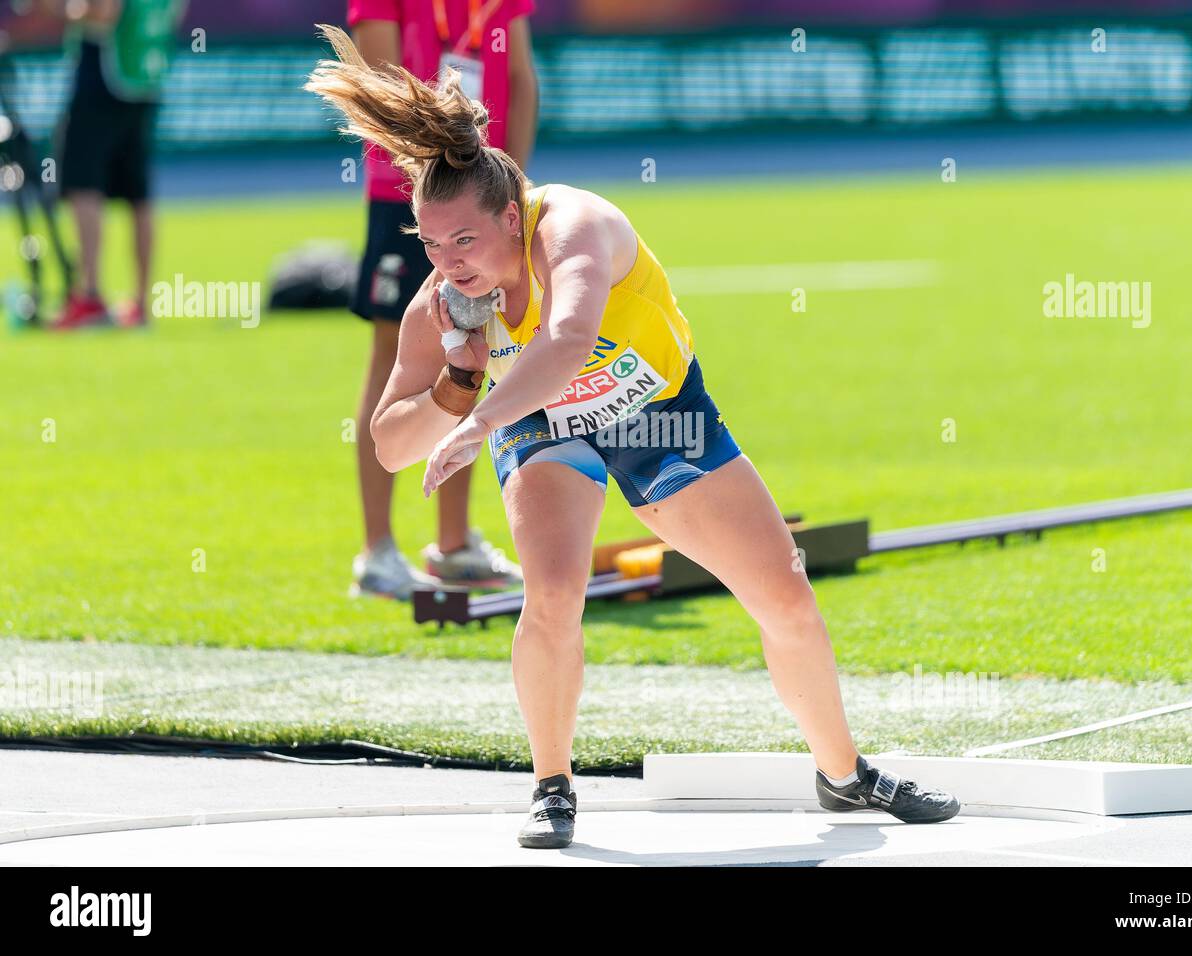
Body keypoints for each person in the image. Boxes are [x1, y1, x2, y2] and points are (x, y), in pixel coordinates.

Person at [306, 25, 961, 851]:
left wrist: (478, 419)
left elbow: (569, 339)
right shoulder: (442, 303)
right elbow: (392, 444)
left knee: (785, 594)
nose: (450, 263)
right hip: (541, 421)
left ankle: (844, 775)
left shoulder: (571, 226)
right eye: (433, 245)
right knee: (550, 594)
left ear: (512, 216)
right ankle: (552, 786)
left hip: (656, 410)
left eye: (465, 240)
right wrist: (459, 379)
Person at [346, 0, 537, 599]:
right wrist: (440, 185)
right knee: (394, 357)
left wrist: (509, 185)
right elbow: (378, 86)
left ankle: (453, 545)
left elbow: (522, 79)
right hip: (406, 195)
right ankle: (377, 551)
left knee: (474, 347)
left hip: (484, 201)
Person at [48, 0, 186, 330]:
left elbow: (103, 12)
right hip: (144, 74)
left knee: (84, 184)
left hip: (105, 72)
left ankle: (91, 295)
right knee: (138, 192)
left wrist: (58, 10)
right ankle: (140, 303)